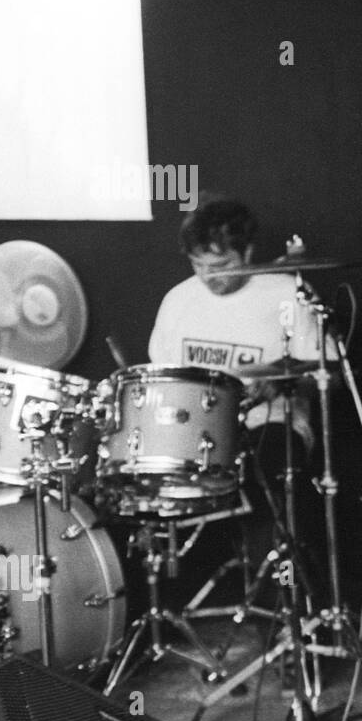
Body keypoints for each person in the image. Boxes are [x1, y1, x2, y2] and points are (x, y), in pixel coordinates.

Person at [148, 198, 328, 581]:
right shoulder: (178, 300)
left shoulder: (287, 296)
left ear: (247, 250)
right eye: (199, 266)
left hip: (267, 426)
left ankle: (282, 602)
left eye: (222, 265)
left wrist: (282, 385)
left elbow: (329, 373)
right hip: (190, 434)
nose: (210, 277)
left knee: (270, 466)